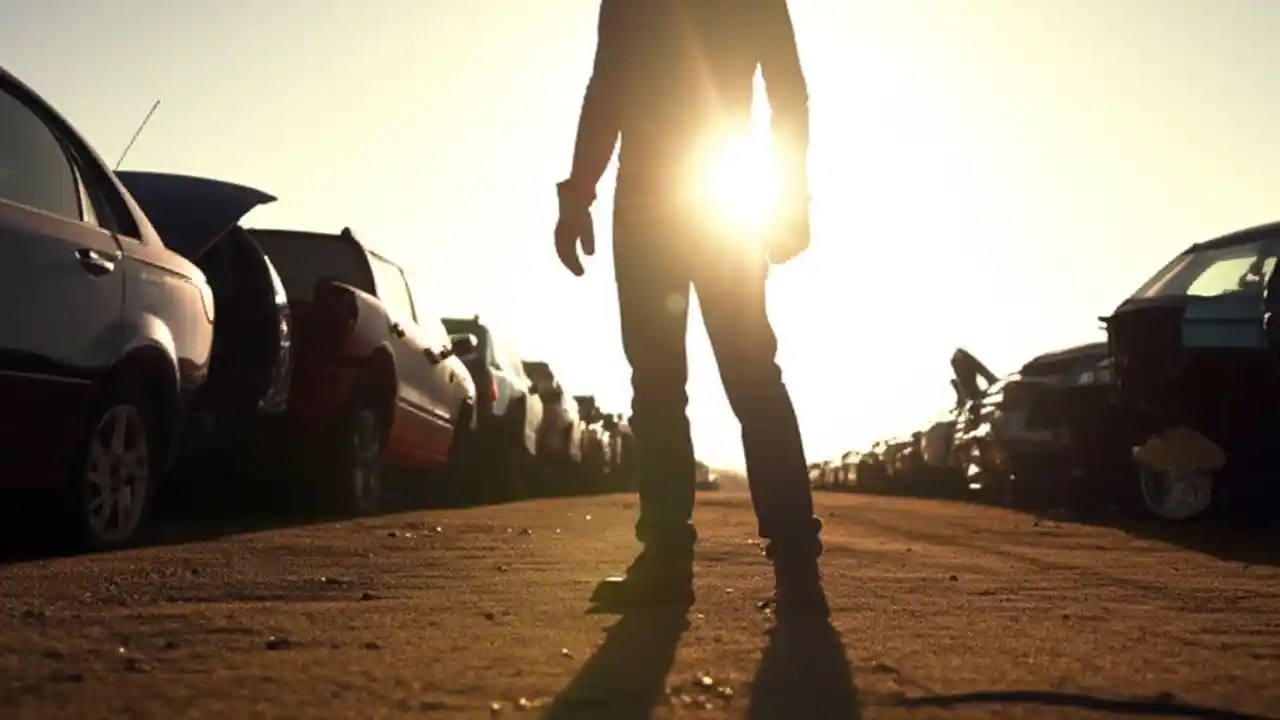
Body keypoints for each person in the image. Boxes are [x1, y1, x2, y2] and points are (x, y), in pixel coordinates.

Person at [553, 0, 823, 612]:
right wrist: (578, 191)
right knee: (681, 380)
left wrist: (789, 199)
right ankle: (696, 562)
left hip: (697, 197)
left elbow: (787, 89)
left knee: (721, 377)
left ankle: (775, 561)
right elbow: (609, 83)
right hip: (684, 200)